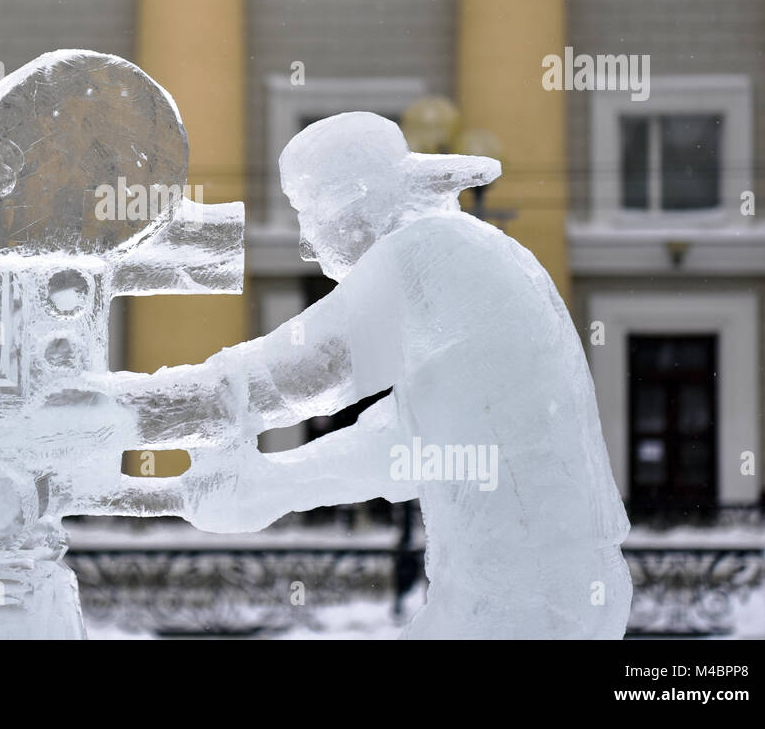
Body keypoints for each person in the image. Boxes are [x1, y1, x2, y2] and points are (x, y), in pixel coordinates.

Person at [110, 112, 632, 638]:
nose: (307, 243)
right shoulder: (474, 253)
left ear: (351, 197)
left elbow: (284, 379)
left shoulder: (433, 254)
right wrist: (275, 484)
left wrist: (103, 417)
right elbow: (406, 444)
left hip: (518, 606)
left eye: (305, 211)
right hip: (537, 596)